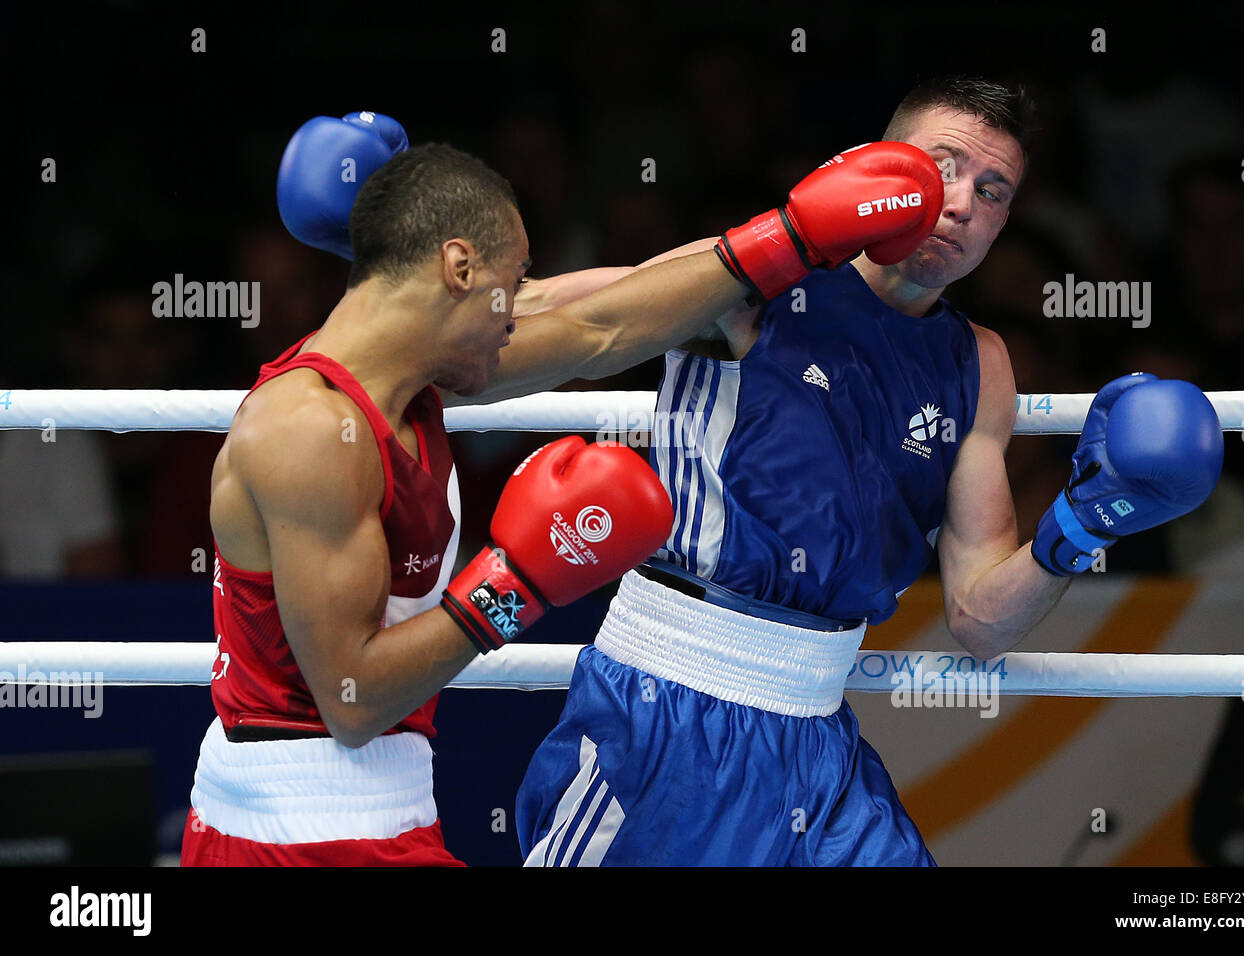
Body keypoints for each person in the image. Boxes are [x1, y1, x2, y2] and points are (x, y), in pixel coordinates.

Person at [180, 111, 944, 865]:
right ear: (457, 269)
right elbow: (353, 698)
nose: (520, 315)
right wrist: (519, 581)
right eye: (511, 290)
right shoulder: (311, 432)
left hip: (378, 803)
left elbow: (600, 321)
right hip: (296, 827)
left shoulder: (410, 382)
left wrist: (791, 238)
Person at [514, 76, 1226, 866]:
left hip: (819, 738)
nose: (961, 203)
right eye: (943, 166)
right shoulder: (760, 272)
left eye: (991, 191)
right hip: (670, 711)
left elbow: (983, 619)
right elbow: (551, 313)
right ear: (880, 168)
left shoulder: (979, 364)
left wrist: (1084, 523)